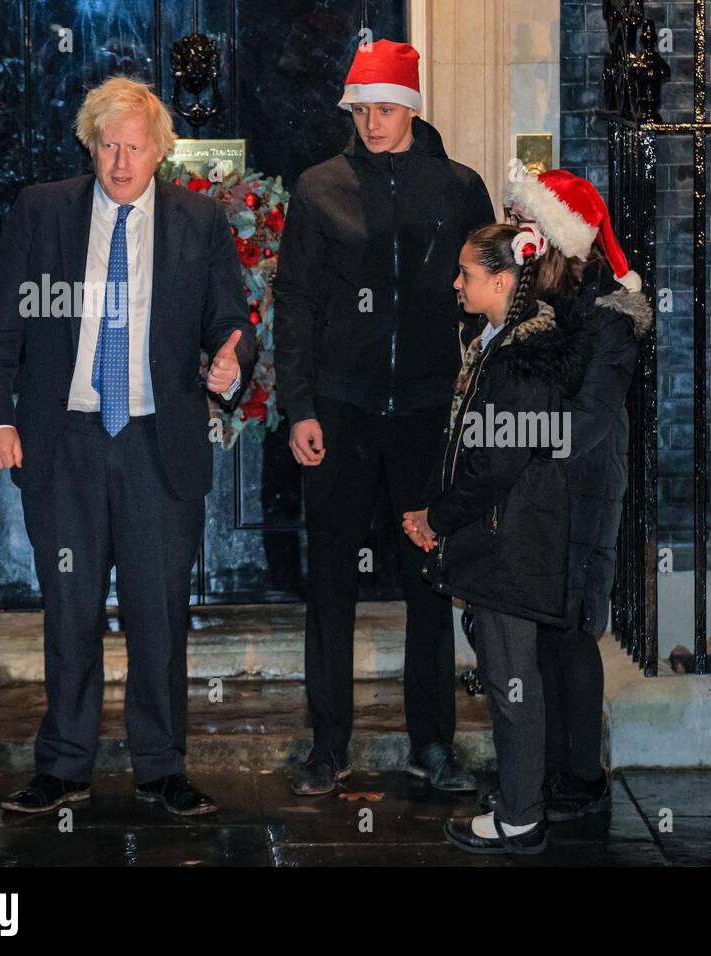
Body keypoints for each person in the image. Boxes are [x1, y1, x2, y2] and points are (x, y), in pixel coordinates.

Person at [0, 77, 258, 816]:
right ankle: (63, 766)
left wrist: (234, 356)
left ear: (161, 151)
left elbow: (231, 319)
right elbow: (1, 323)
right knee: (69, 610)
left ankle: (161, 767)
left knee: (159, 612)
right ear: (90, 145)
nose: (121, 163)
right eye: (108, 146)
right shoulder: (43, 212)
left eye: (135, 148)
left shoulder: (198, 220)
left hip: (155, 446)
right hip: (65, 443)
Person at [272, 40, 496, 795]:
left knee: (428, 578)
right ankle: (327, 746)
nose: (372, 121)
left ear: (412, 108)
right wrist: (300, 405)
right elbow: (295, 301)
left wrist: (476, 395)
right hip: (341, 408)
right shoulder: (319, 187)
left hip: (428, 411)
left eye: (386, 108)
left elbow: (491, 295)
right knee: (329, 579)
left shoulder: (459, 187)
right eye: (361, 108)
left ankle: (431, 744)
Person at [402, 223, 584, 854]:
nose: (457, 284)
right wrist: (435, 509)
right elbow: (466, 445)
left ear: (502, 282)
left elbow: (497, 464)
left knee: (512, 682)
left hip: (512, 543)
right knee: (511, 677)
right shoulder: (497, 342)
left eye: (468, 275)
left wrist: (437, 519)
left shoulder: (522, 358)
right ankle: (518, 800)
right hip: (497, 538)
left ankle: (520, 817)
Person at [496, 169, 654, 822]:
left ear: (558, 237)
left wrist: (524, 443)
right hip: (540, 482)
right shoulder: (531, 298)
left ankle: (581, 776)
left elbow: (592, 414)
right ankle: (552, 769)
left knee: (574, 624)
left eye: (526, 224)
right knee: (542, 626)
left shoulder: (608, 311)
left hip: (584, 482)